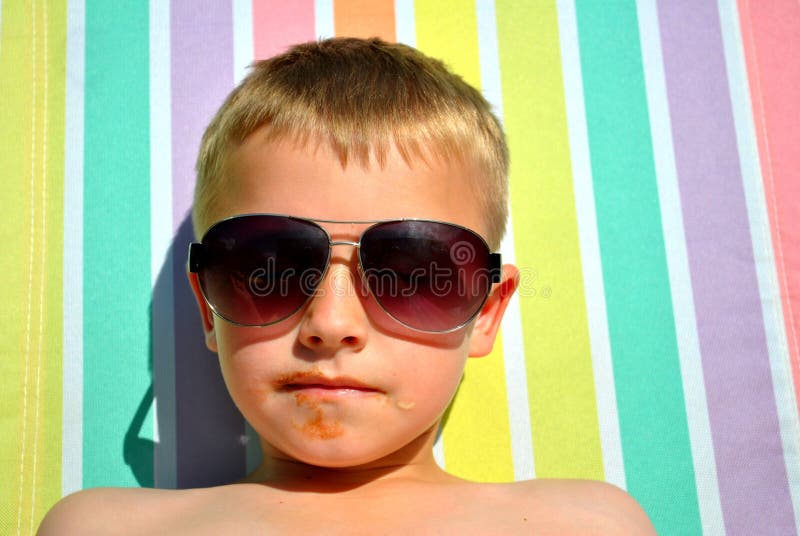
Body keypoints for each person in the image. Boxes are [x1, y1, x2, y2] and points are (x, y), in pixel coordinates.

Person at [39, 37, 655, 534]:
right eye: (269, 269)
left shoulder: (585, 524)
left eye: (413, 272)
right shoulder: (103, 527)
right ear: (207, 306)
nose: (331, 325)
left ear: (486, 311)